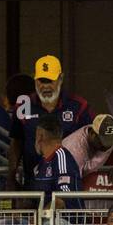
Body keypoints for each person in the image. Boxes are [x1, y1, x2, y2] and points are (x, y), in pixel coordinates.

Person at [8, 54, 93, 188]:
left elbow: (92, 143)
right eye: (41, 81)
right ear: (35, 80)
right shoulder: (23, 106)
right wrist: (11, 178)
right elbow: (16, 143)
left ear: (61, 78)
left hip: (70, 185)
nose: (45, 86)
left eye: (50, 81)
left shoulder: (79, 106)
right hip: (33, 186)